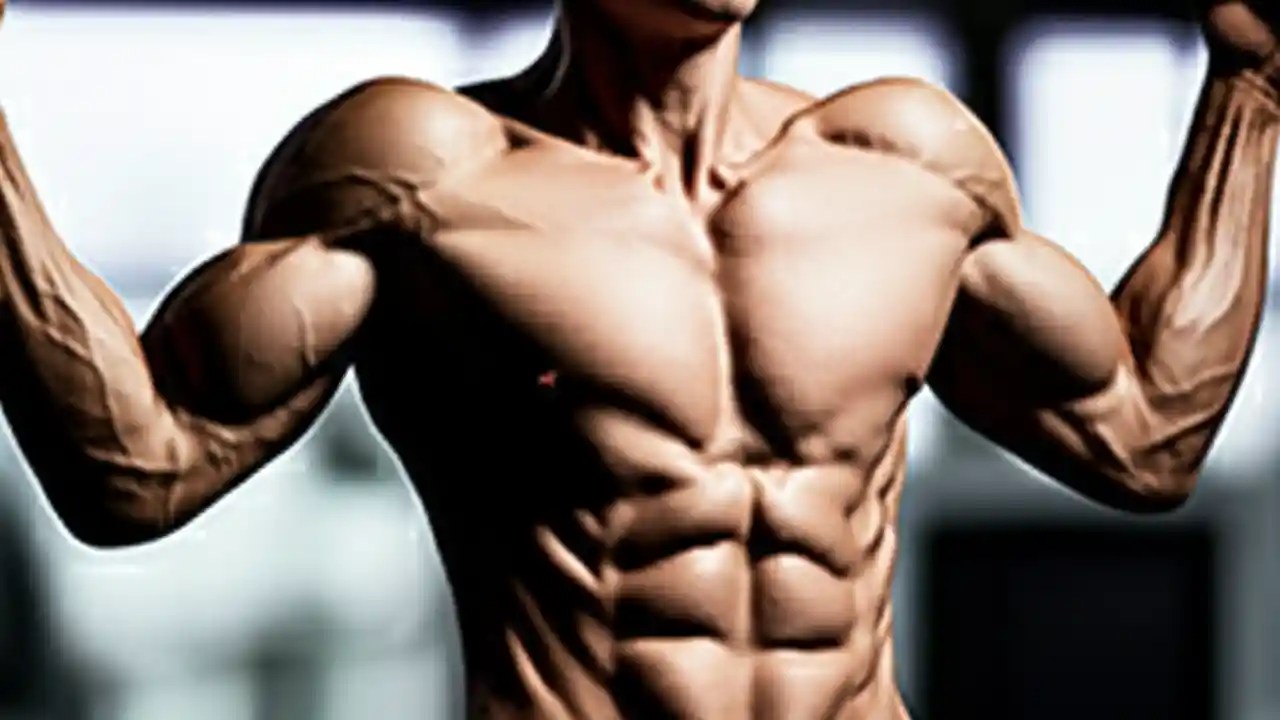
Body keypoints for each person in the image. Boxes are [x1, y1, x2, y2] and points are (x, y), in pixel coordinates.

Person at [1, 0, 1277, 717]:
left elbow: (1141, 437)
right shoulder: (420, 176)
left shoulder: (905, 167)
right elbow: (137, 465)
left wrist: (1249, 83)